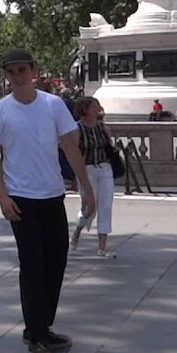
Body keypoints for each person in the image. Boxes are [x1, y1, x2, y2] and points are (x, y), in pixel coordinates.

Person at [0, 48, 93, 353]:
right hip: (20, 199)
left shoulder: (54, 105)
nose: (17, 77)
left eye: (22, 70)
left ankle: (42, 325)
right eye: (11, 72)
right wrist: (3, 197)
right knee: (32, 265)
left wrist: (87, 188)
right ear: (7, 75)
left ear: (34, 70)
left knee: (56, 260)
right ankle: (36, 332)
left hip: (52, 195)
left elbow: (71, 148)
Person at [70, 97, 117, 259]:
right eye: (94, 106)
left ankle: (102, 248)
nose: (98, 109)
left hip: (104, 167)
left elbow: (109, 148)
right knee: (90, 208)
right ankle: (77, 232)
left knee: (106, 205)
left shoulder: (103, 128)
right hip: (87, 170)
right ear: (85, 109)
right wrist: (75, 177)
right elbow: (74, 153)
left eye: (98, 106)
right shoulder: (77, 129)